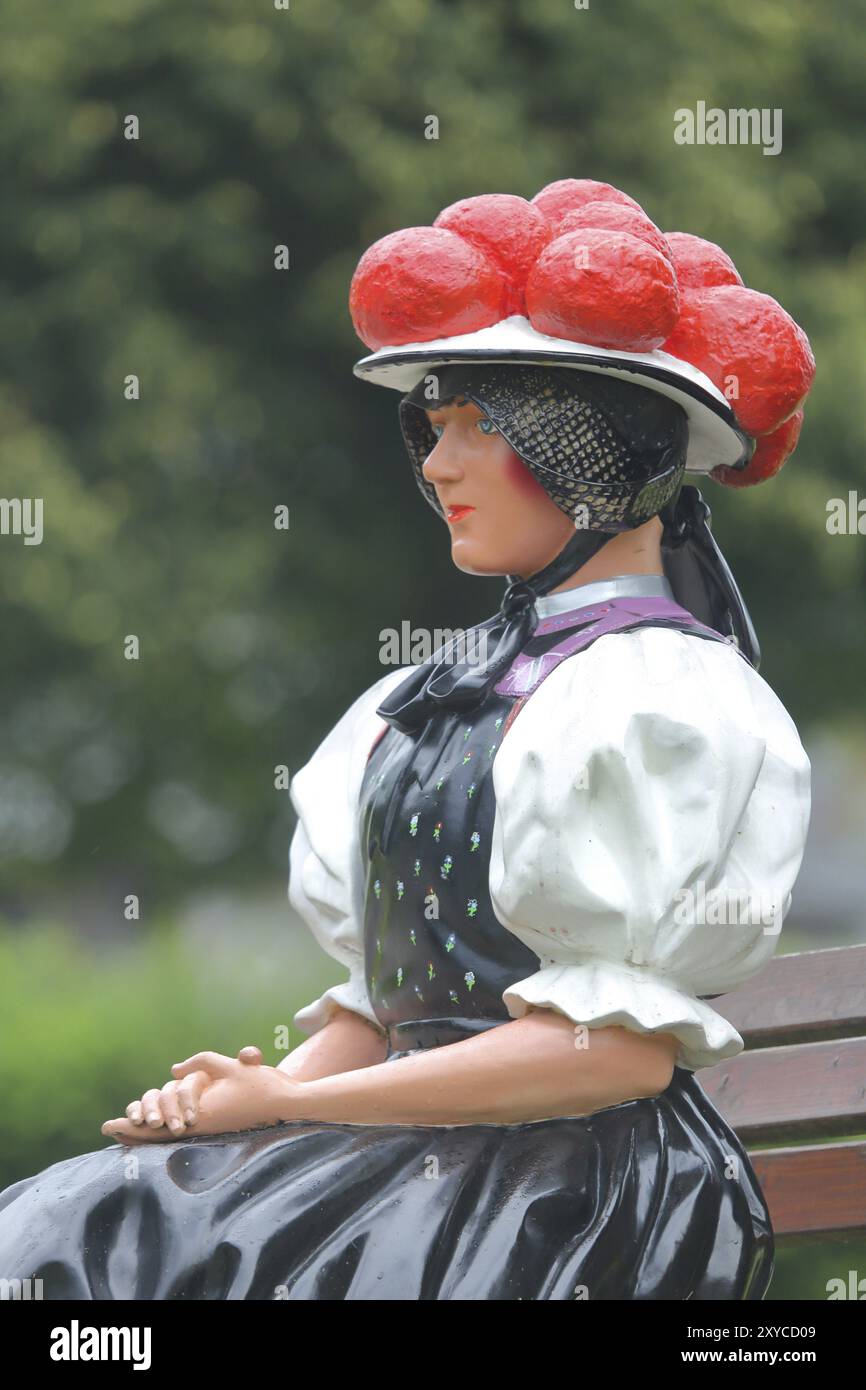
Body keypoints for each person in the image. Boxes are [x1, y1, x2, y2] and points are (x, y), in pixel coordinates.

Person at [0, 180, 814, 1300]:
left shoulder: (658, 701)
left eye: (479, 429)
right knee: (90, 1223)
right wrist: (234, 1107)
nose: (437, 468)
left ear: (593, 454)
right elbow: (387, 1012)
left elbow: (610, 1054)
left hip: (566, 1193)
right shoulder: (424, 696)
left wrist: (287, 1106)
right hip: (421, 1151)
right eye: (433, 432)